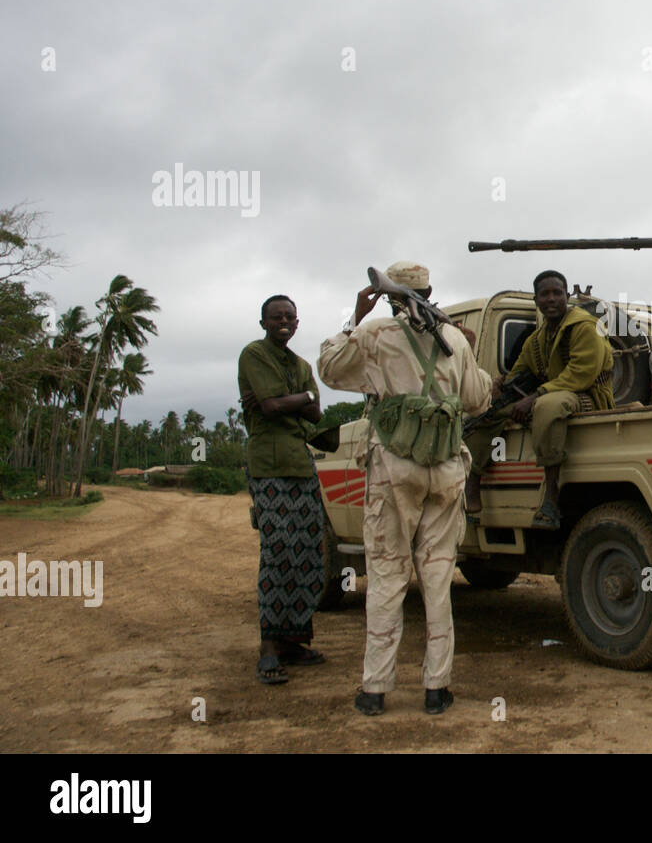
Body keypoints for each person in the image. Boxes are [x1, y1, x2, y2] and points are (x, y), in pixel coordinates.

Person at [317, 262, 491, 716]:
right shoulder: (453, 339)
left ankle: (375, 690)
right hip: (447, 469)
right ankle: (437, 689)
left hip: (395, 470)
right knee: (437, 579)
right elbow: (476, 399)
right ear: (430, 291)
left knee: (389, 578)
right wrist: (470, 355)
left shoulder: (375, 334)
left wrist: (353, 318)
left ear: (387, 297)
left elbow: (330, 369)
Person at [463, 270, 614, 530]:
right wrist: (500, 388)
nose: (551, 299)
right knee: (486, 412)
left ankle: (551, 497)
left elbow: (581, 374)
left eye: (557, 293)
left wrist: (535, 397)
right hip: (557, 391)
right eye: (544, 294)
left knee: (547, 406)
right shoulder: (537, 339)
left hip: (587, 394)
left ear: (567, 296)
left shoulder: (585, 327)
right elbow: (521, 370)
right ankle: (472, 481)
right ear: (536, 301)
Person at [237, 294, 329, 685]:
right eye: (276, 317)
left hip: (300, 465)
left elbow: (314, 412)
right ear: (263, 323)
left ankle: (294, 640)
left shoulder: (302, 364)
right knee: (277, 553)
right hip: (269, 466)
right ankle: (269, 647)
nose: (284, 321)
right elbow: (273, 408)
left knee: (309, 549)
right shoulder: (253, 354)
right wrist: (300, 398)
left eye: (290, 316)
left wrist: (293, 400)